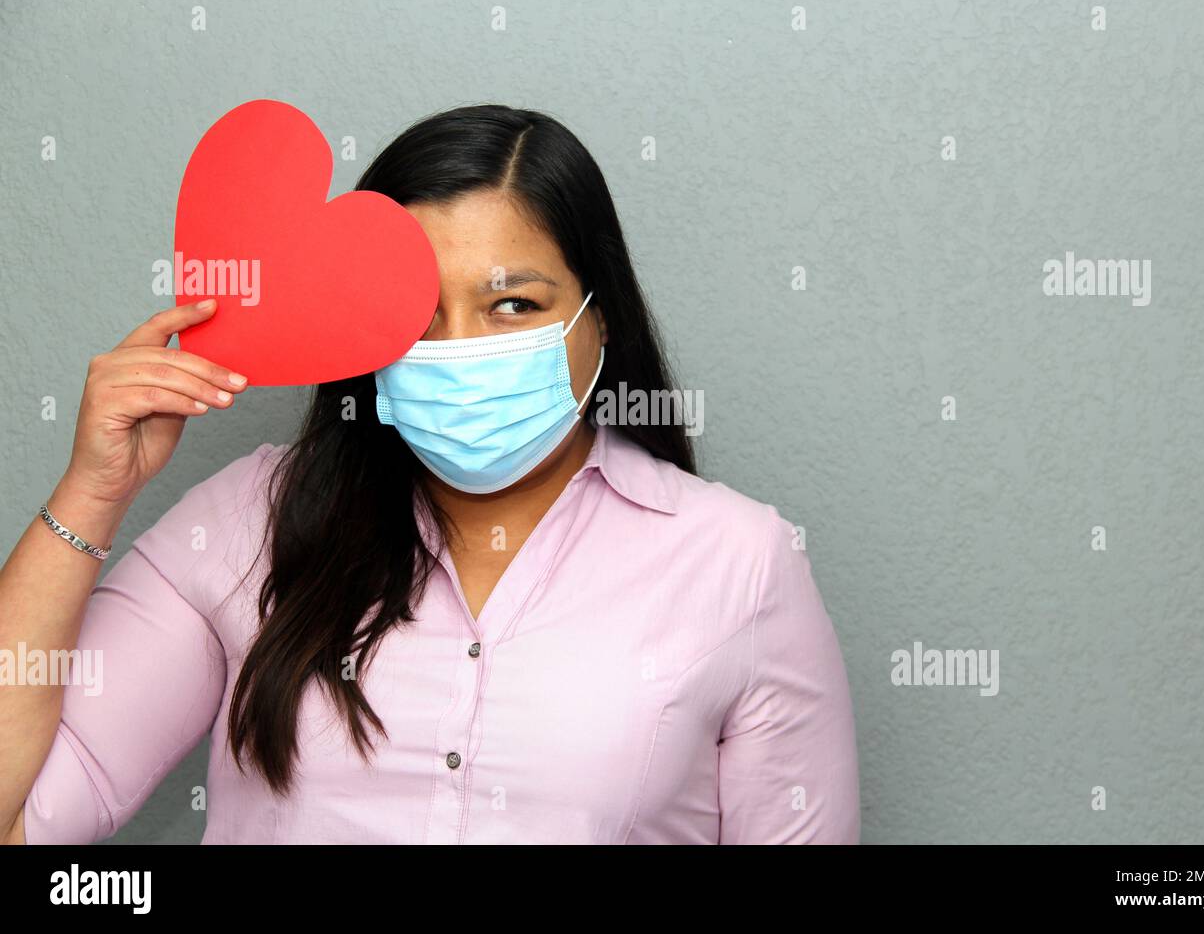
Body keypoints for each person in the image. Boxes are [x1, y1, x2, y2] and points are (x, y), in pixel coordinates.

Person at [0, 105, 860, 844]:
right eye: (417, 314)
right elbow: (20, 819)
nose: (458, 349)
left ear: (601, 318)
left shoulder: (741, 561)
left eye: (513, 305)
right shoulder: (240, 527)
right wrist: (93, 493)